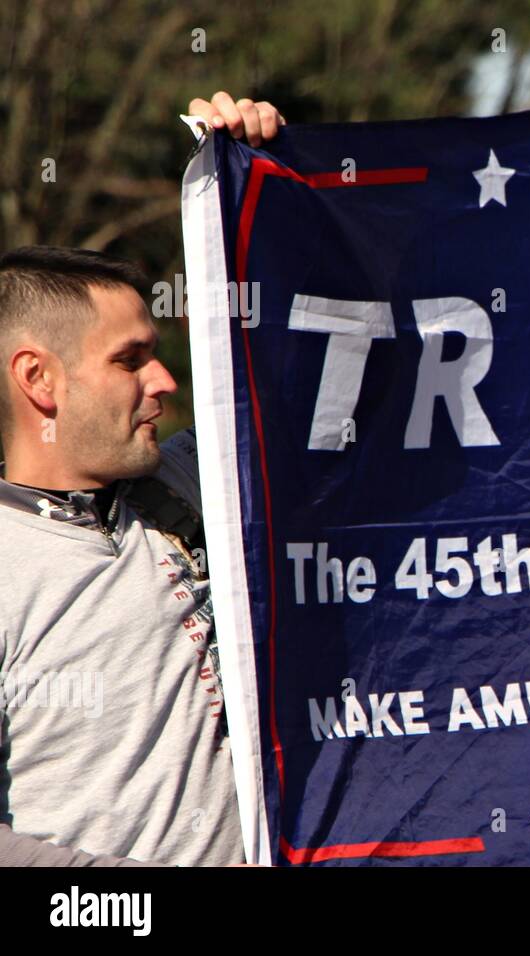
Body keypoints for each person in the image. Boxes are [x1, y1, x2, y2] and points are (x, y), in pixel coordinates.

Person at [0, 96, 280, 867]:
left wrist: (266, 174)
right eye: (129, 360)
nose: (164, 380)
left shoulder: (189, 484)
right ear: (40, 381)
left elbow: (331, 360)